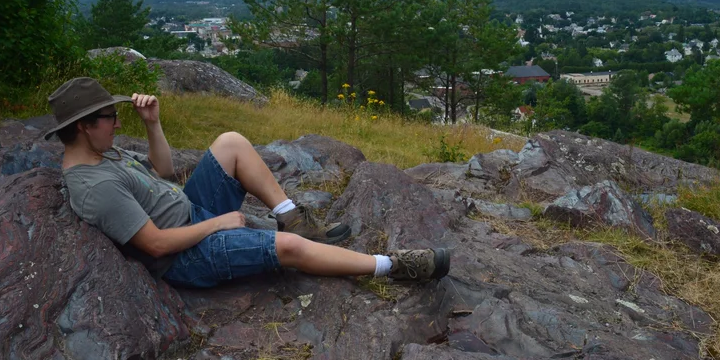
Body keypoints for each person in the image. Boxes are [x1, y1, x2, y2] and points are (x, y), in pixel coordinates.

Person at [44, 77, 450, 288]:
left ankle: (292, 216)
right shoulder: (94, 185)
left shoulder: (104, 153)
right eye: (109, 118)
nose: (117, 123)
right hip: (185, 255)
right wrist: (219, 223)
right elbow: (154, 244)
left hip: (189, 213)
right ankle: (394, 266)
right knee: (288, 249)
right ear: (83, 126)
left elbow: (163, 172)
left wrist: (153, 124)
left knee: (231, 143)